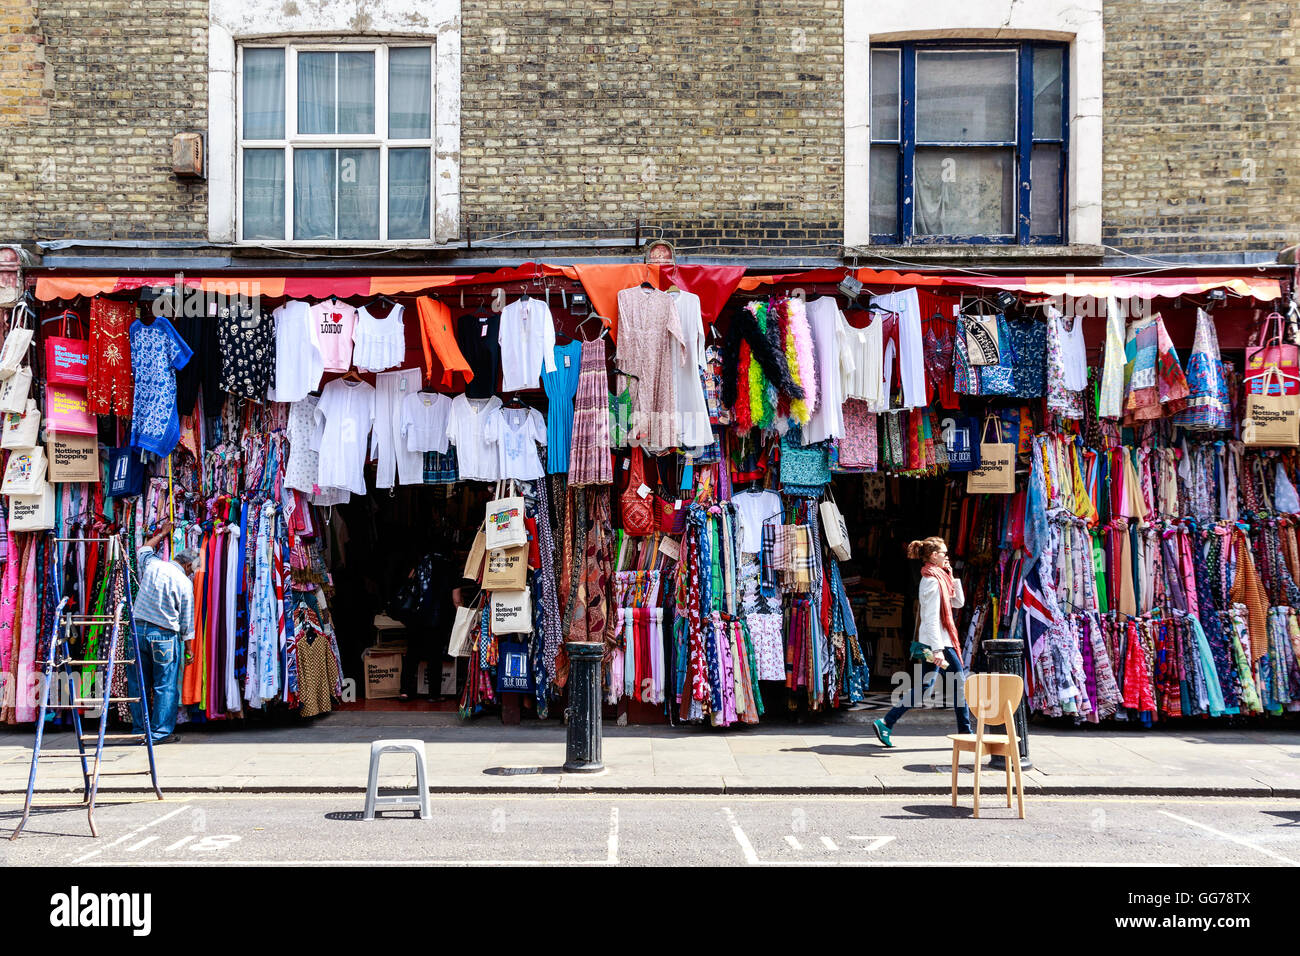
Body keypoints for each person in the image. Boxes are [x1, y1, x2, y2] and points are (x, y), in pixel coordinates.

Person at [872, 536, 972, 747]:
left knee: (926, 685)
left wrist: (952, 577)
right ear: (934, 556)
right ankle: (965, 733)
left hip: (937, 643)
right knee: (959, 684)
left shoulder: (940, 578)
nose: (947, 556)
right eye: (944, 553)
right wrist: (937, 650)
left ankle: (886, 722)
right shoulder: (931, 582)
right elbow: (930, 619)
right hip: (939, 644)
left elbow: (959, 603)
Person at [127, 521, 196, 744]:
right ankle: (158, 734)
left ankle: (140, 729)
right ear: (187, 566)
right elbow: (186, 620)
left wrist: (162, 534)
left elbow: (144, 550)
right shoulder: (185, 583)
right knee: (164, 686)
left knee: (138, 683)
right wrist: (188, 649)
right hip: (164, 636)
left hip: (138, 631)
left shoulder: (154, 565)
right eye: (193, 570)